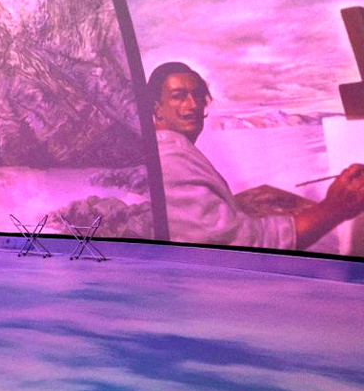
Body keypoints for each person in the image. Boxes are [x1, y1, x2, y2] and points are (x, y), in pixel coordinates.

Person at [150, 62, 364, 250]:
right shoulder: (170, 161)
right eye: (178, 96)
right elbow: (245, 244)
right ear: (157, 109)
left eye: (197, 95)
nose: (194, 104)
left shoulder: (170, 150)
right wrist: (335, 207)